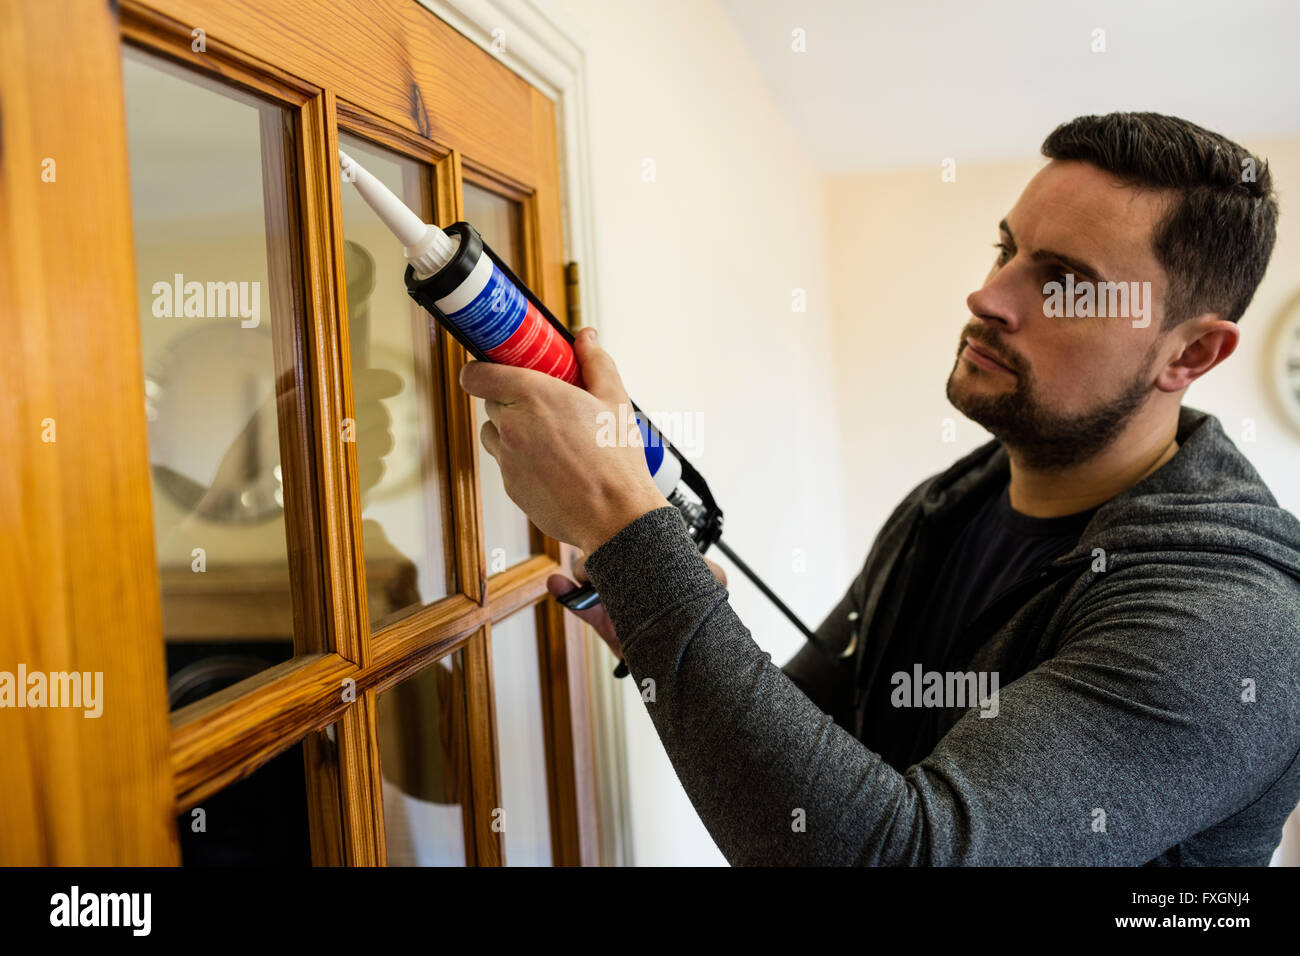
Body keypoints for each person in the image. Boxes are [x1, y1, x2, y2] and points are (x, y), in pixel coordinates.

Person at [459, 112, 1300, 865]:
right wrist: (659, 613)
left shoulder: (1236, 624)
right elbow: (824, 745)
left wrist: (624, 526)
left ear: (1190, 355)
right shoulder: (953, 501)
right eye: (1007, 250)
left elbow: (903, 853)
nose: (987, 296)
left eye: (1061, 283)